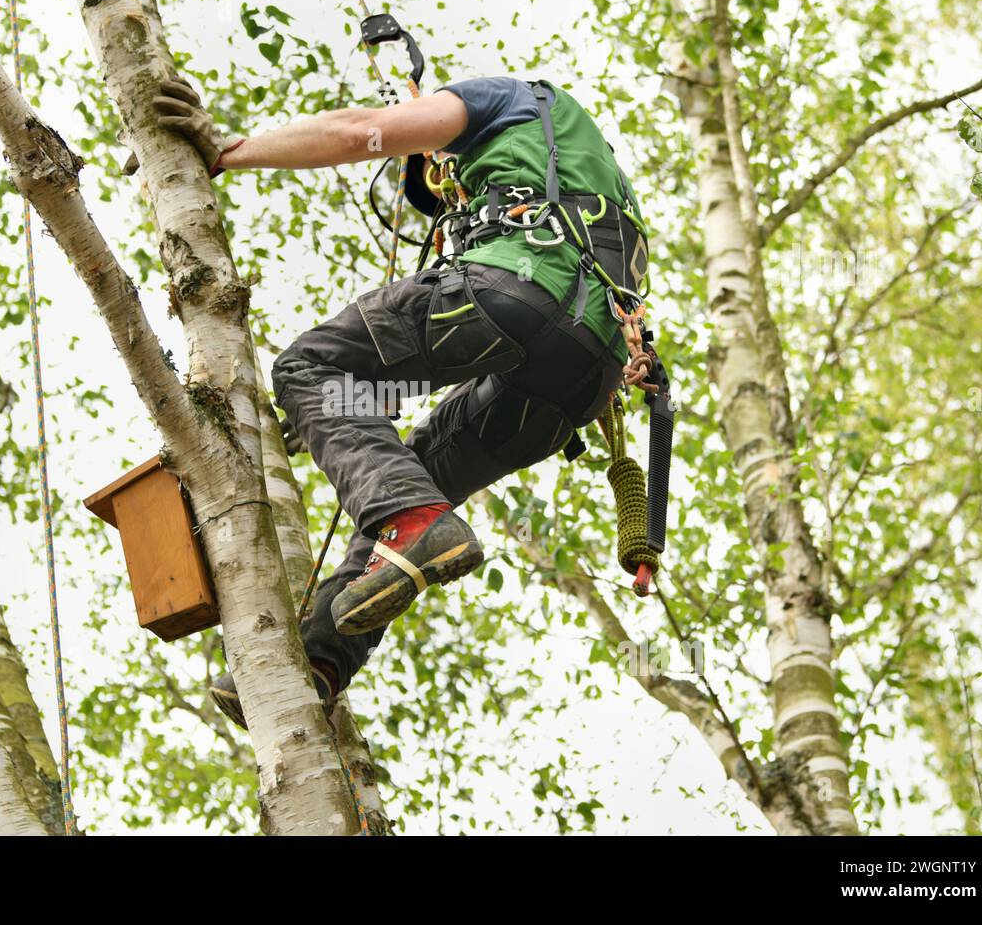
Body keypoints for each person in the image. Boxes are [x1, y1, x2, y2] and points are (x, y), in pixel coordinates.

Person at [148, 74, 650, 728]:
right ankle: (323, 656)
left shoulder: (499, 99)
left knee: (308, 366)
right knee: (417, 479)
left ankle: (411, 525)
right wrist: (338, 409)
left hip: (518, 286)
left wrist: (227, 149)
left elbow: (362, 131)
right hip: (584, 373)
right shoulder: (591, 170)